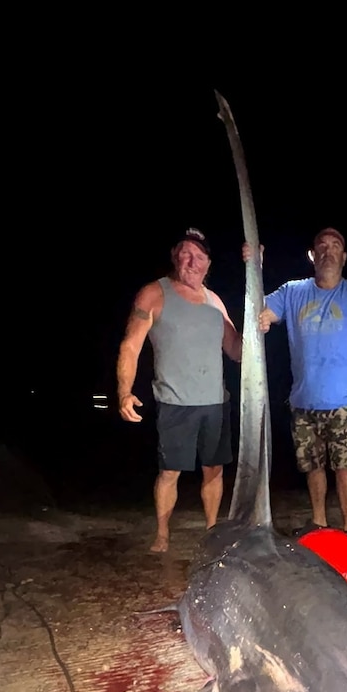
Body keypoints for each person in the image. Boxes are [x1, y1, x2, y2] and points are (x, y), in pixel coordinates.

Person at [257, 228, 347, 537]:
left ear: (344, 257)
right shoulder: (293, 291)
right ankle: (318, 523)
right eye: (322, 246)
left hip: (343, 402)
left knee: (344, 466)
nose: (328, 251)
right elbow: (259, 311)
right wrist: (255, 268)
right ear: (312, 255)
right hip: (303, 401)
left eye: (335, 246)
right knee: (313, 467)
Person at [117, 228, 241, 553]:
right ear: (175, 256)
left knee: (214, 470)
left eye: (199, 256)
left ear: (208, 264)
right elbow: (131, 346)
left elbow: (236, 350)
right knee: (169, 471)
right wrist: (124, 391)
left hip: (215, 402)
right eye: (185, 254)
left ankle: (212, 531)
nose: (192, 261)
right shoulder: (154, 294)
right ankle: (162, 534)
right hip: (175, 402)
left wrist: (259, 328)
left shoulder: (215, 302)